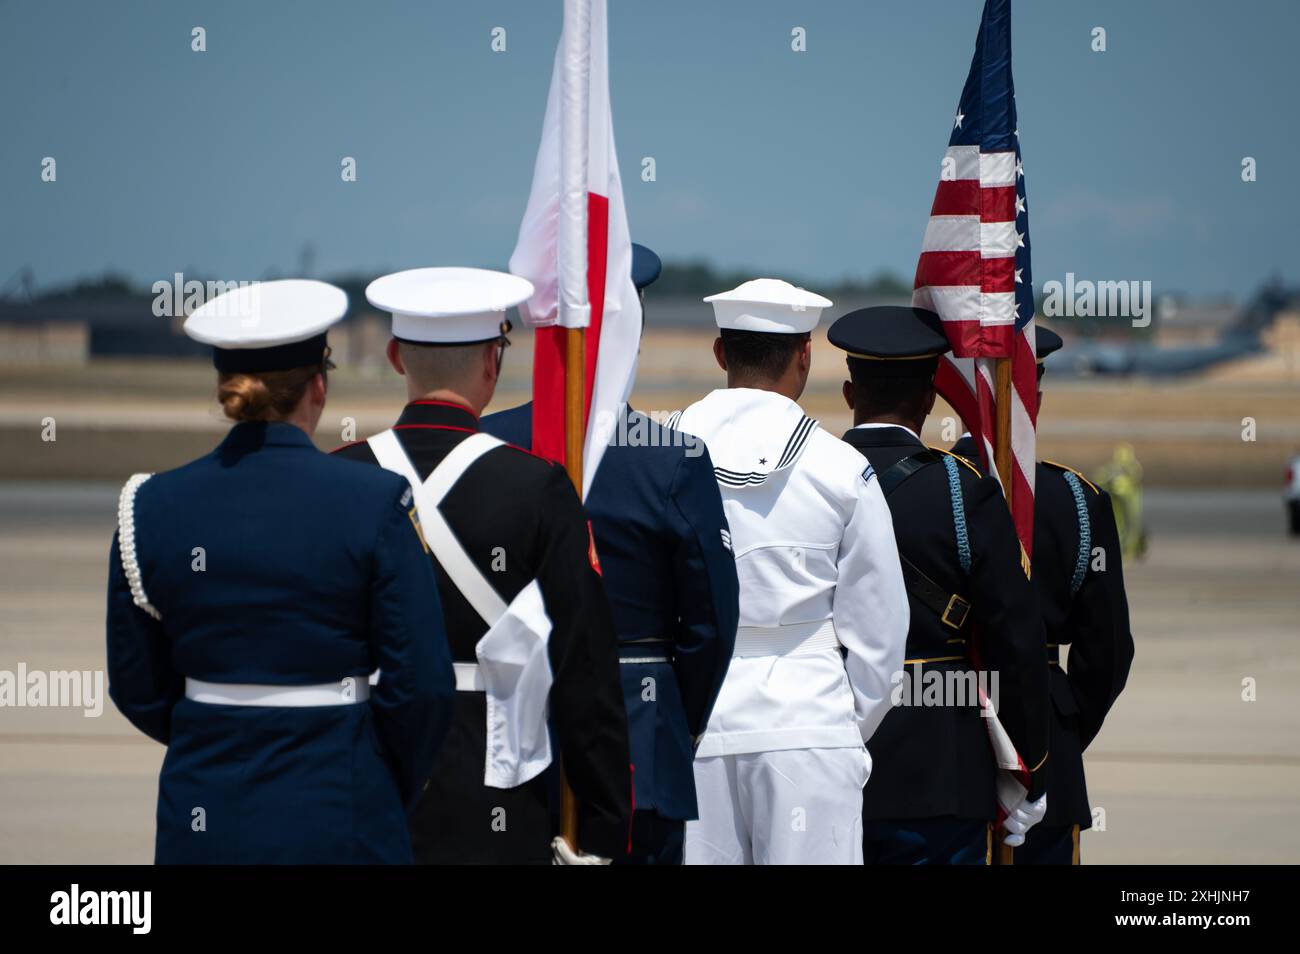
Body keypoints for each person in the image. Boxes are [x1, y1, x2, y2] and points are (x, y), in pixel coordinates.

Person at [107, 279, 455, 864]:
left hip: (205, 815)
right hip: (340, 814)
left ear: (225, 389)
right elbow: (422, 685)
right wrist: (372, 778)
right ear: (318, 386)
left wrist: (215, 726)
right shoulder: (373, 501)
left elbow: (137, 685)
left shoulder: (149, 505)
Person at [334, 266, 631, 864]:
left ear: (395, 357)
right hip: (494, 786)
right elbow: (585, 671)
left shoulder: (338, 476)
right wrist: (602, 828)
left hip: (362, 778)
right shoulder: (538, 486)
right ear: (493, 364)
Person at [484, 244, 739, 865]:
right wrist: (678, 715)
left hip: (512, 741)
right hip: (638, 747)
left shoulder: (488, 445)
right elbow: (711, 624)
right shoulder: (670, 460)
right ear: (635, 333)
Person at [667, 279, 909, 865]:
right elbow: (879, 638)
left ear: (722, 354)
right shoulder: (841, 468)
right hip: (810, 727)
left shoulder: (658, 451)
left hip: (693, 729)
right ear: (805, 355)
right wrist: (834, 726)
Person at [827, 305, 1051, 864]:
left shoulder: (809, 476)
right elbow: (1015, 637)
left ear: (850, 393)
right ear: (930, 398)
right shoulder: (964, 487)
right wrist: (1029, 764)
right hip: (939, 767)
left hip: (824, 748)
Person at [956, 327, 1134, 864]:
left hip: (947, 736)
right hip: (1048, 761)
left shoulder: (923, 489)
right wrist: (1060, 727)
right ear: (1036, 396)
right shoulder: (1078, 500)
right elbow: (1106, 652)